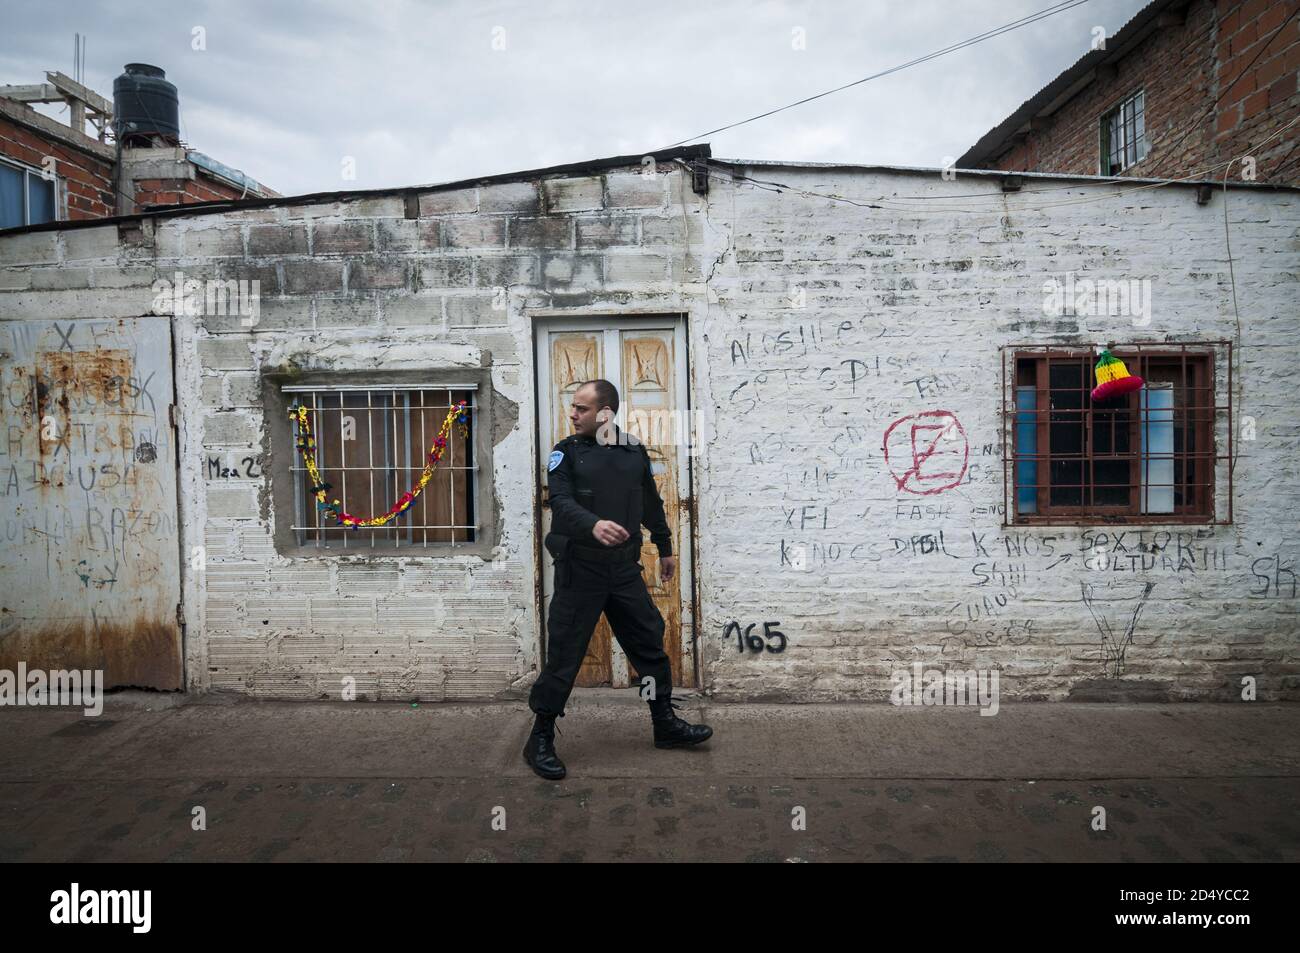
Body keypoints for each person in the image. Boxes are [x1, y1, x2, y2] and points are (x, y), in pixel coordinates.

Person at [524, 379, 712, 780]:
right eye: (573, 407)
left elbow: (649, 502)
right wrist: (592, 525)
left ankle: (664, 724)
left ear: (605, 414)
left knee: (649, 644)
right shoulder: (566, 453)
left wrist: (664, 547)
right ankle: (540, 736)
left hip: (624, 570)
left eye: (581, 409)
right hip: (581, 570)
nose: (573, 415)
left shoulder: (632, 451)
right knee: (565, 655)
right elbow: (560, 502)